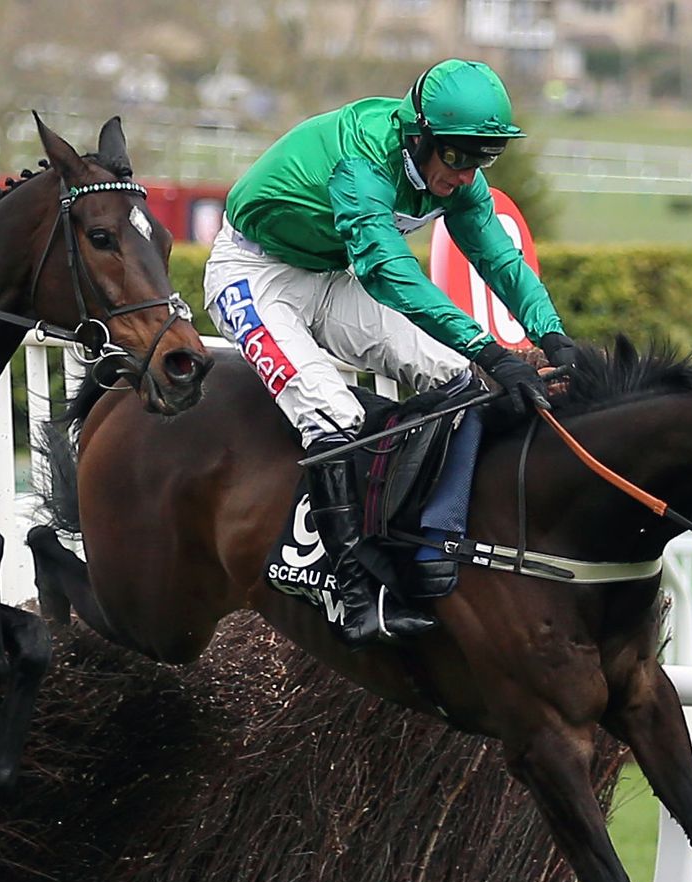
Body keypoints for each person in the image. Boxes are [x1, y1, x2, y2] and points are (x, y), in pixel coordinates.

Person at [202, 58, 577, 647]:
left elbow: (499, 260)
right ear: (418, 137)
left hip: (330, 277)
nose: (466, 175)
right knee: (333, 414)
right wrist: (489, 349)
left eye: (483, 159)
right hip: (254, 273)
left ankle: (432, 547)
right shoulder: (362, 163)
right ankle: (350, 591)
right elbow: (389, 272)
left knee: (459, 378)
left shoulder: (456, 174)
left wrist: (552, 335)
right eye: (456, 156)